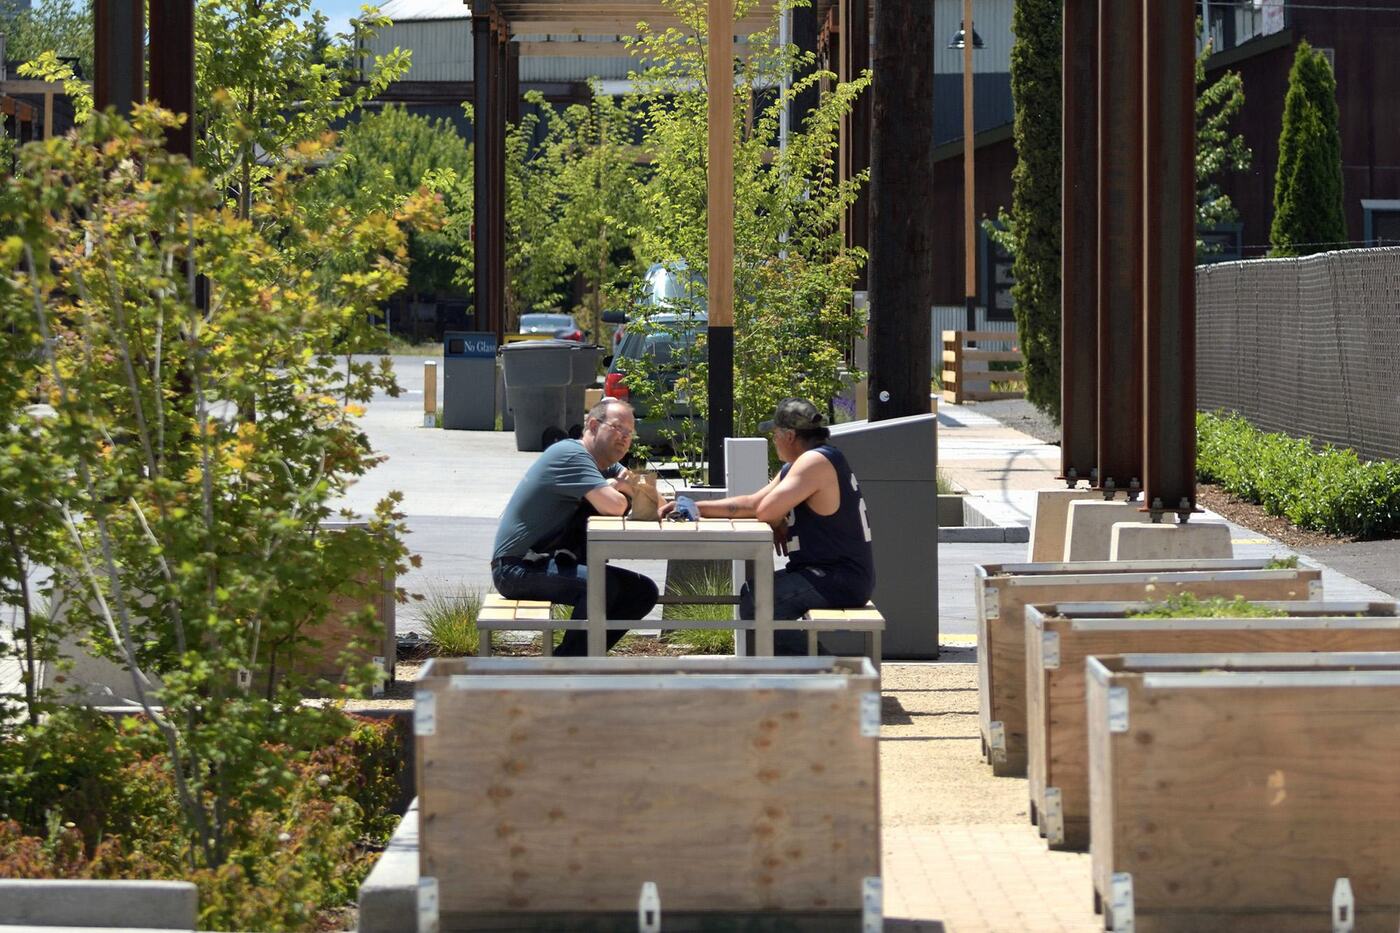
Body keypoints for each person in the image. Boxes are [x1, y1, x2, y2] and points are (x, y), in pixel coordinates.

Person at [659, 397, 874, 654]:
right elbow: (752, 503)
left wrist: (777, 518)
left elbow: (765, 510)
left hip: (839, 578)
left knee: (761, 602)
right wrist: (694, 506)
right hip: (822, 573)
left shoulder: (815, 461)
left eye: (775, 434)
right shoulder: (799, 465)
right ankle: (791, 676)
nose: (774, 441)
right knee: (753, 593)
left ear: (790, 436)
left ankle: (830, 674)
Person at [491, 398, 659, 655]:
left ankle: (578, 658)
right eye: (617, 428)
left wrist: (626, 485)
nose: (625, 438)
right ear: (593, 425)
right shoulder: (571, 454)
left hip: (545, 562)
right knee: (601, 586)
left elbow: (656, 500)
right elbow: (613, 506)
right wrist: (625, 488)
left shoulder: (605, 465)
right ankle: (570, 666)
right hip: (516, 567)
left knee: (643, 590)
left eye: (629, 433)